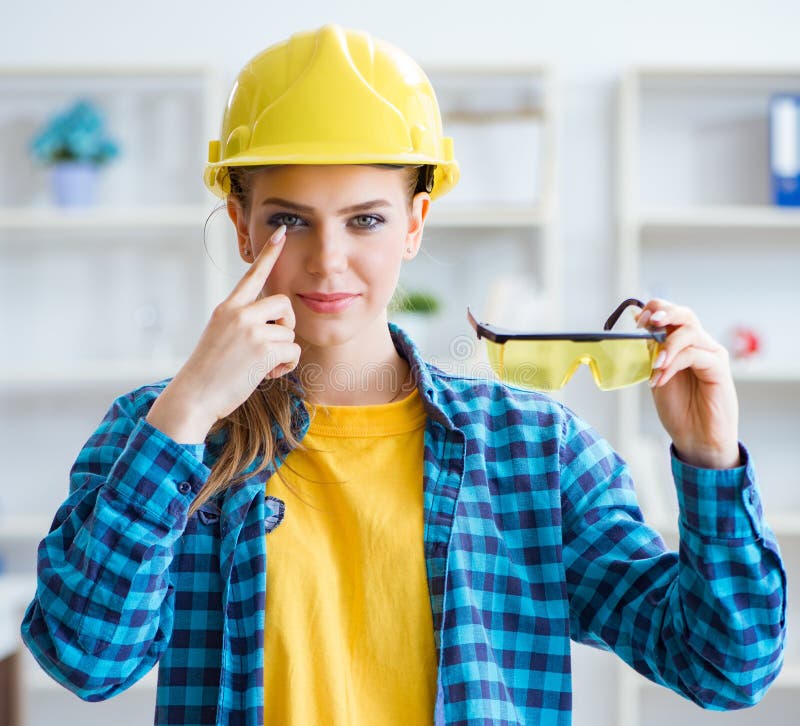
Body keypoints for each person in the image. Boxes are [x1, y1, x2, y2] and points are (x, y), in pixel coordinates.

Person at [20, 24, 786, 726]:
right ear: (240, 220)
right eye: (290, 220)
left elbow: (724, 666)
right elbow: (85, 661)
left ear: (415, 223)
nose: (328, 261)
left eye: (366, 219)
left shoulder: (532, 451)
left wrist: (711, 460)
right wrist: (186, 410)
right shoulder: (159, 434)